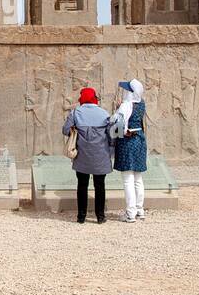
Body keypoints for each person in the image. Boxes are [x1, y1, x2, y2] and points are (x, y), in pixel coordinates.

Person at [61, 87, 115, 224]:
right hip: (100, 155)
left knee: (82, 185)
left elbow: (65, 130)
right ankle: (100, 216)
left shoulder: (76, 112)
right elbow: (111, 136)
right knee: (100, 186)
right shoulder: (104, 113)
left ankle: (81, 216)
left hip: (82, 155)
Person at [113, 78, 148, 222]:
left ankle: (130, 213)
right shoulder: (141, 104)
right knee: (138, 178)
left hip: (128, 141)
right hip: (140, 139)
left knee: (128, 179)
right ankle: (139, 210)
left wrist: (116, 111)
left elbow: (118, 127)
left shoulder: (126, 105)